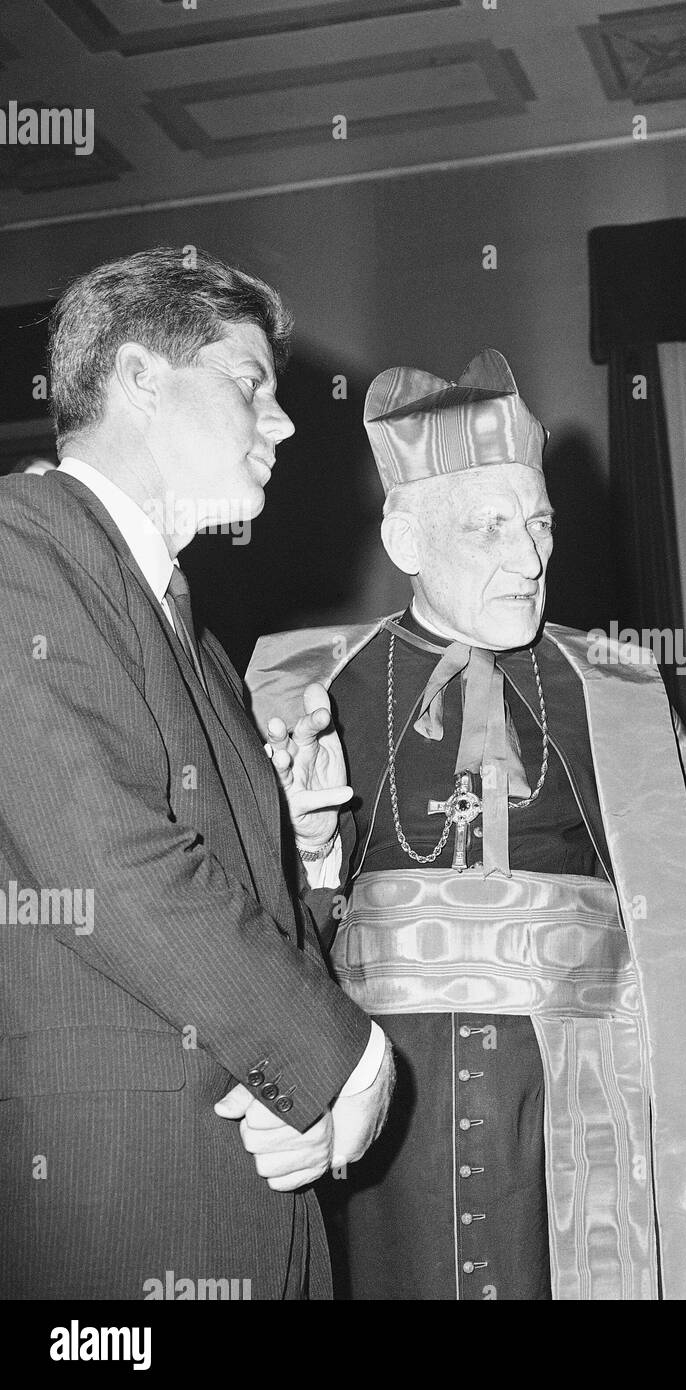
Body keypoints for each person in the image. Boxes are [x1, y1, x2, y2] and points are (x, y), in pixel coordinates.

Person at [246, 349, 686, 1300]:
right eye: (491, 527)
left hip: (587, 1087)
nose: (529, 559)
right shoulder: (305, 683)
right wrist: (312, 845)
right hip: (391, 1091)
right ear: (405, 537)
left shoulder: (618, 684)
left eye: (539, 524)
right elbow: (250, 923)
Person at [0, 246, 393, 1299]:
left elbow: (246, 909)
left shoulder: (197, 636)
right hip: (117, 1199)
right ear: (139, 378)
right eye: (251, 385)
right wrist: (340, 1059)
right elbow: (107, 854)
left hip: (251, 1173)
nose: (285, 423)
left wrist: (305, 856)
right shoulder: (15, 548)